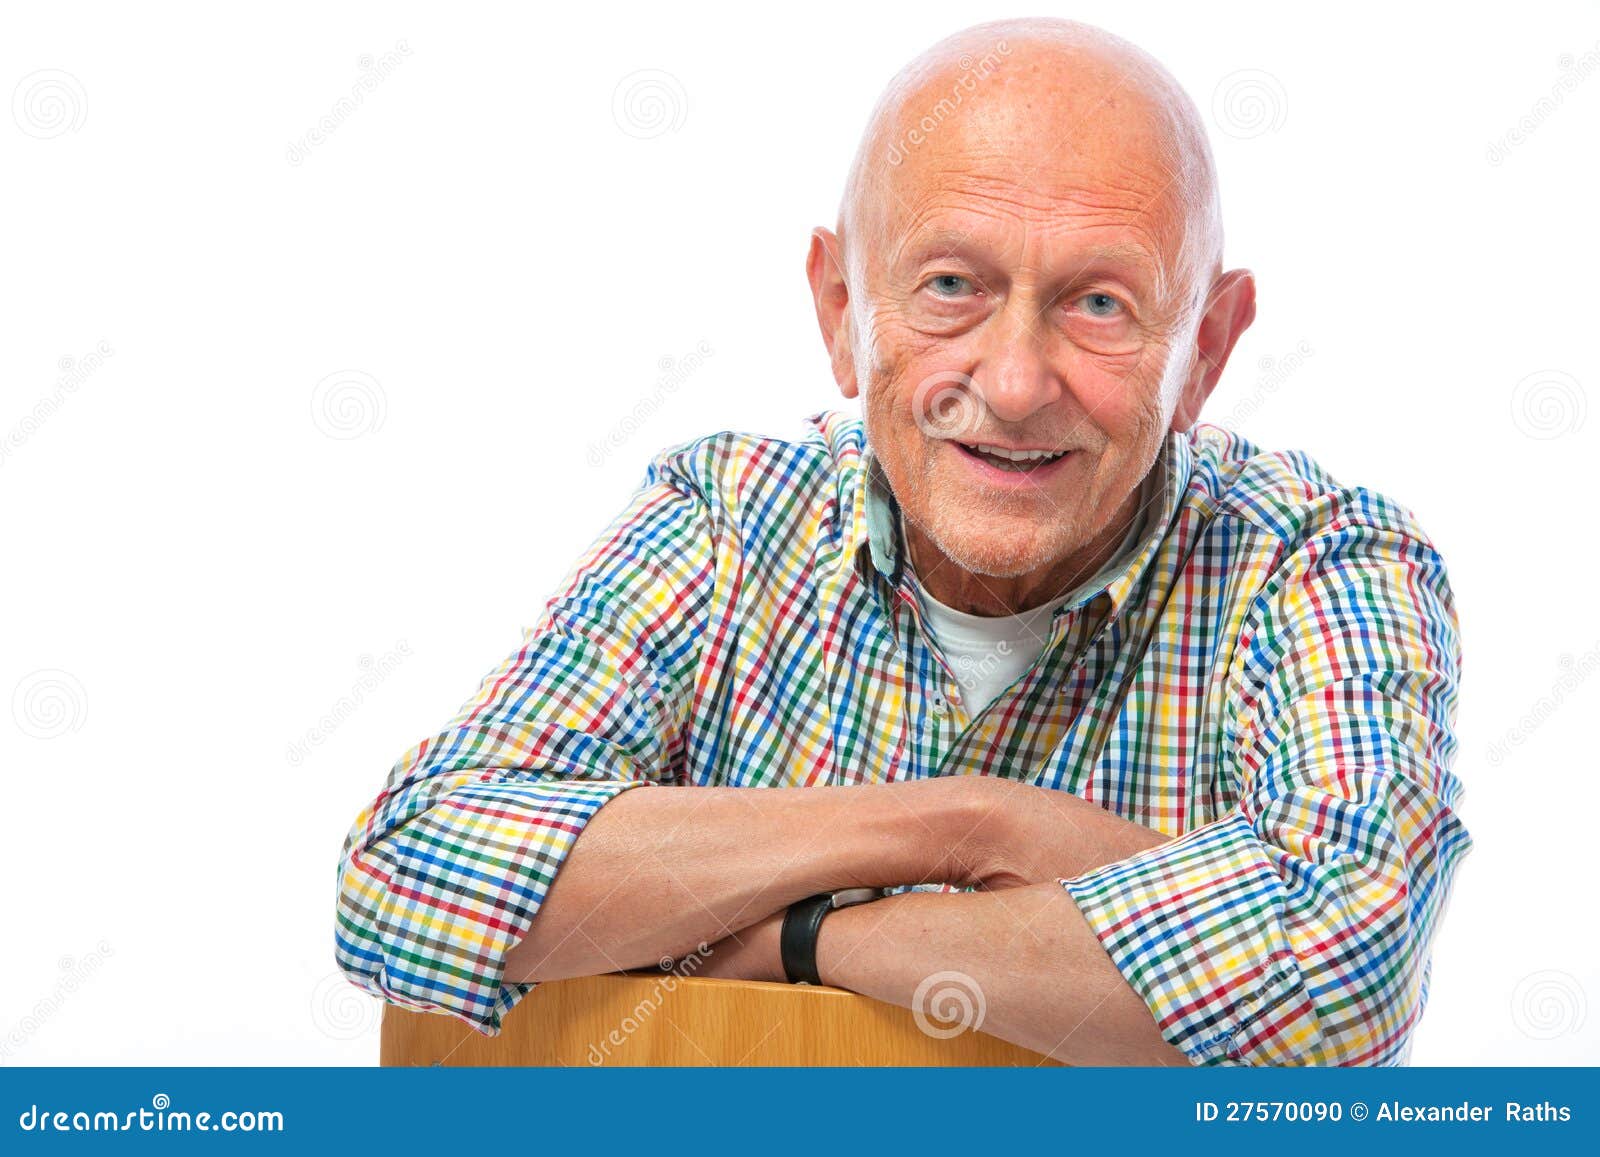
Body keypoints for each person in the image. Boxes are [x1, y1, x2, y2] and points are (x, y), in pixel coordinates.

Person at [334, 17, 1471, 1066]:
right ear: (841, 312)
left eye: (1100, 305)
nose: (1017, 384)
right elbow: (408, 871)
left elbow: (1344, 966)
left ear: (1207, 351)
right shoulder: (730, 513)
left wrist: (805, 937)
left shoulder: (1323, 559)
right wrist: (972, 825)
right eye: (949, 286)